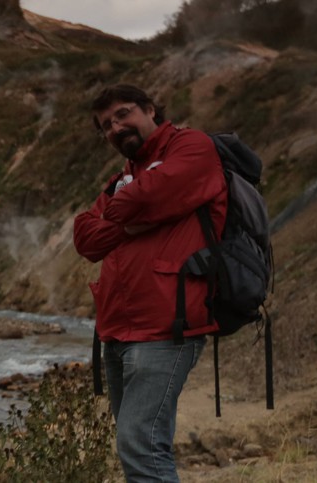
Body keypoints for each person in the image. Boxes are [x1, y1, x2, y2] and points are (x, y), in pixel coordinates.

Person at [73, 84, 226, 482]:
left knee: (141, 443)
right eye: (106, 125)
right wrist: (135, 218)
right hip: (119, 329)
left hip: (165, 326)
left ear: (150, 110)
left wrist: (125, 210)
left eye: (123, 114)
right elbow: (85, 239)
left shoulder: (191, 147)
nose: (116, 127)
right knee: (136, 445)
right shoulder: (125, 175)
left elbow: (132, 203)